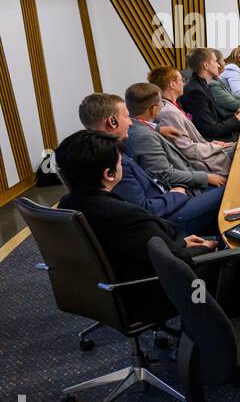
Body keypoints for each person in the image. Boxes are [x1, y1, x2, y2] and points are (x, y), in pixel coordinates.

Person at [54, 130, 217, 313]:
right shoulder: (126, 215)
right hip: (154, 294)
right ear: (109, 174)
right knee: (233, 259)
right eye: (120, 162)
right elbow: (175, 261)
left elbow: (137, 246)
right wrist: (207, 247)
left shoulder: (66, 205)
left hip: (107, 292)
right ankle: (216, 326)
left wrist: (180, 243)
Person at [78, 92, 223, 236]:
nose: (130, 122)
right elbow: (142, 210)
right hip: (167, 219)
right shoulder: (111, 160)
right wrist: (176, 195)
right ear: (112, 122)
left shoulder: (98, 149)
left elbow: (137, 128)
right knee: (227, 192)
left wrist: (159, 129)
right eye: (127, 117)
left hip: (166, 202)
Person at [124, 82, 225, 193]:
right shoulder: (145, 137)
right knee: (227, 188)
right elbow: (165, 174)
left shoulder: (132, 126)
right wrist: (206, 177)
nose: (162, 105)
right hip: (185, 189)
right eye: (161, 103)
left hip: (187, 175)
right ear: (152, 109)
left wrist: (159, 130)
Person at [147, 66, 233, 174]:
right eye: (181, 80)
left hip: (205, 153)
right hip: (201, 164)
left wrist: (210, 143)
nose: (184, 84)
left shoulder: (173, 105)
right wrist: (214, 146)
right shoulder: (168, 113)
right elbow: (187, 149)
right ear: (172, 85)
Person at [182, 47, 240, 143]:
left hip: (224, 134)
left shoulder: (202, 84)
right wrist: (237, 118)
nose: (218, 65)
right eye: (215, 62)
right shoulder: (195, 92)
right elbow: (211, 130)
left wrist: (235, 115)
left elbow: (214, 118)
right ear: (206, 65)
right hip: (219, 141)